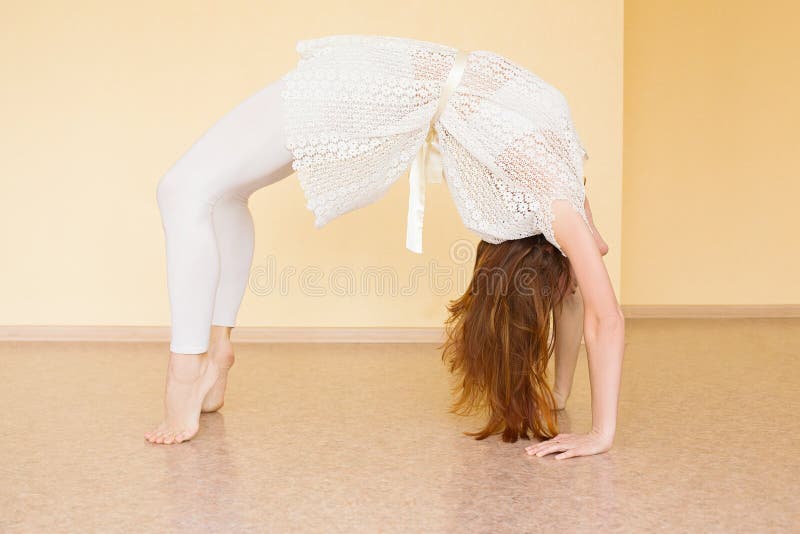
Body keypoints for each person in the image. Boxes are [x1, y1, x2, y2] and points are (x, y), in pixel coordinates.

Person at [146, 35, 624, 461]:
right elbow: (603, 313)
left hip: (378, 81)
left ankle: (194, 367)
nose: (574, 281)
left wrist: (562, 395)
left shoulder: (562, 176)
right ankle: (204, 358)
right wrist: (598, 430)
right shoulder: (554, 199)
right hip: (365, 91)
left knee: (195, 192)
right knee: (199, 192)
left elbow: (583, 283)